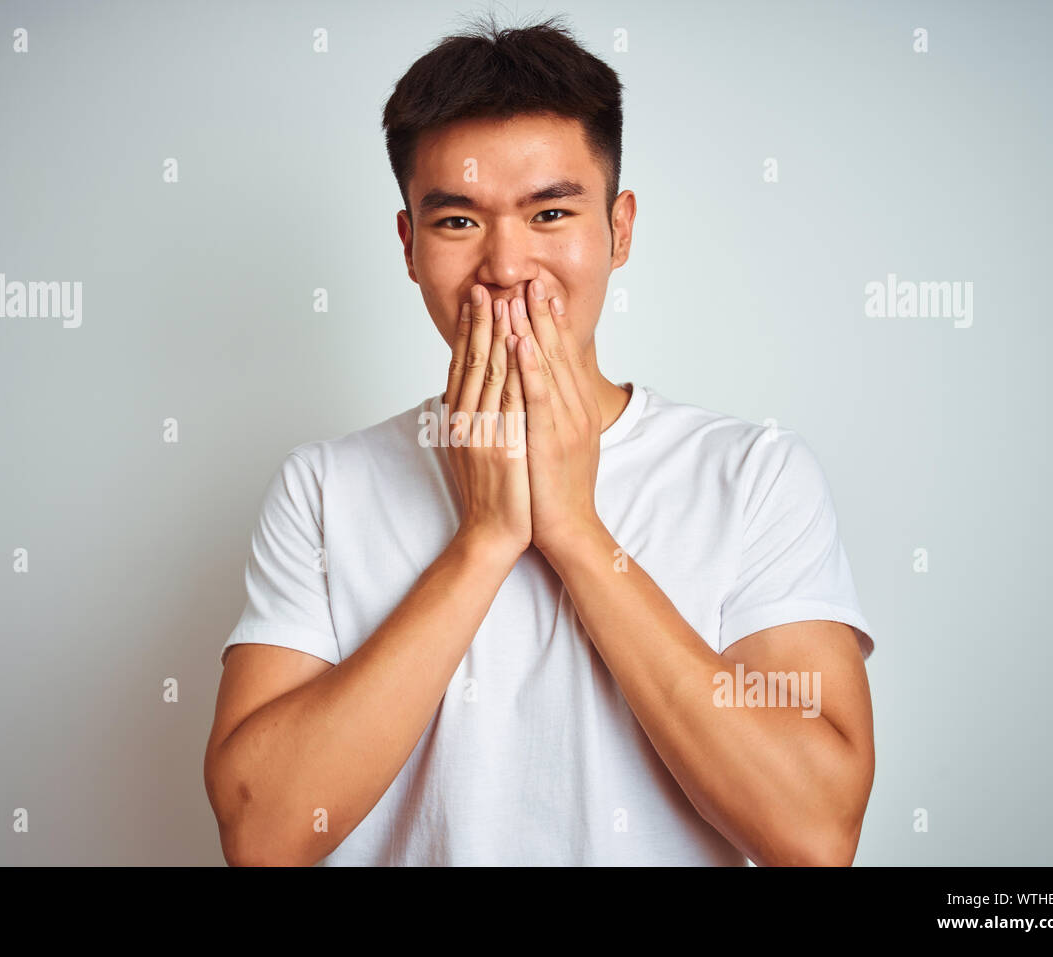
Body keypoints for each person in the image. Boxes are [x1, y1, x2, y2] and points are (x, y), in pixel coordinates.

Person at [203, 14, 876, 866]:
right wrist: (485, 539)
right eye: (458, 222)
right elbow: (262, 836)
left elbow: (816, 834)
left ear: (619, 229)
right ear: (409, 246)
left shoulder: (753, 475)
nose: (507, 265)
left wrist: (575, 532)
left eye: (550, 211)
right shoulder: (324, 487)